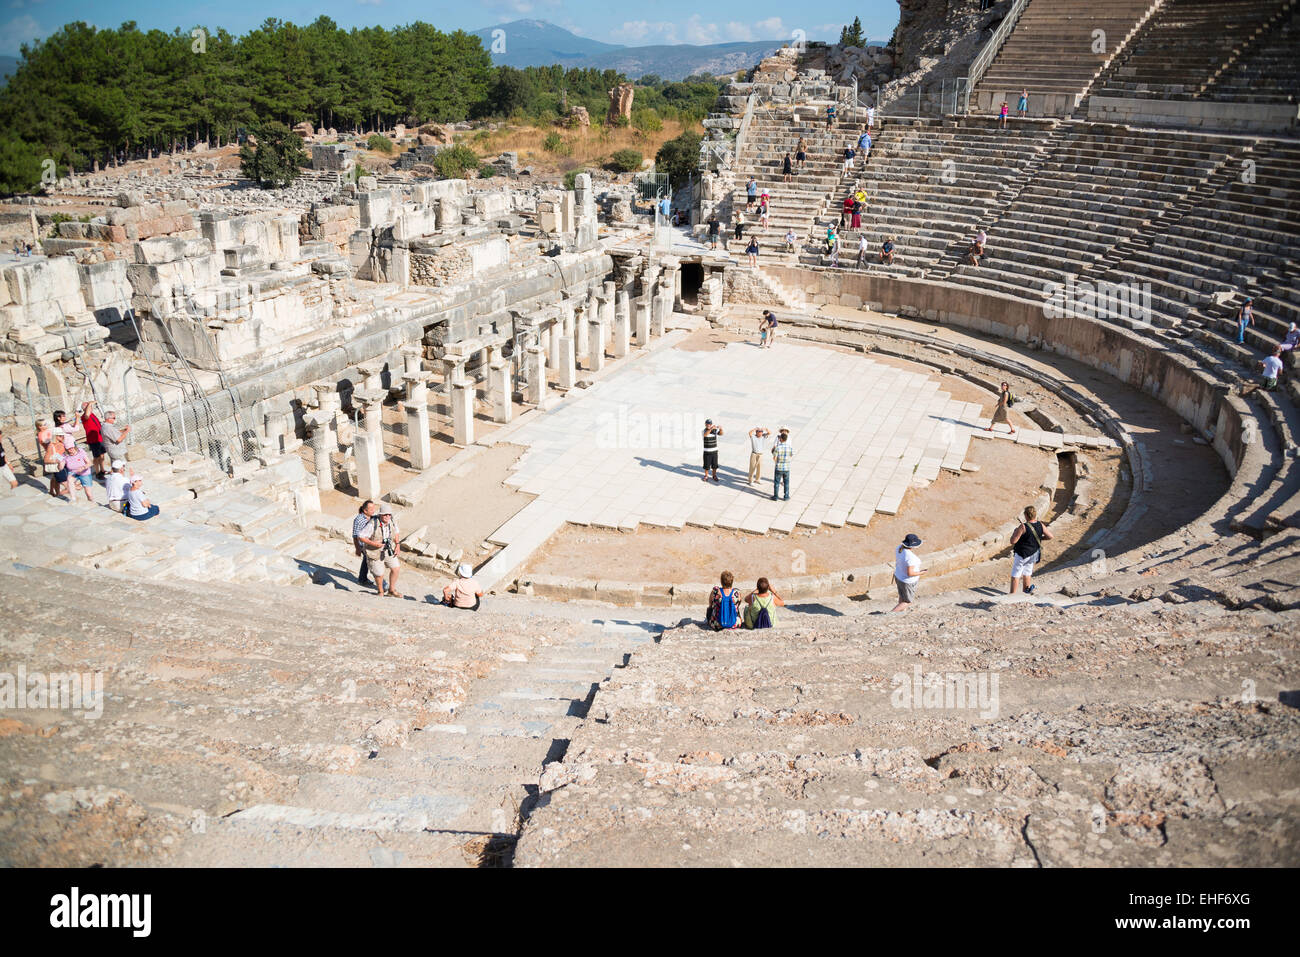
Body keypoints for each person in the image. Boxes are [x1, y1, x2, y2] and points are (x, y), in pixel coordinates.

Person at [359, 504, 402, 597]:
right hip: (374, 551)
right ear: (380, 515)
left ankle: (391, 590)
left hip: (387, 549)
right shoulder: (372, 524)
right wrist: (374, 544)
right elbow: (361, 536)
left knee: (396, 568)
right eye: (385, 515)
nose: (387, 517)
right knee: (379, 573)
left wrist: (397, 545)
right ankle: (380, 591)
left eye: (389, 514)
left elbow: (396, 532)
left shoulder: (392, 521)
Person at [1009, 505, 1053, 594]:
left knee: (1016, 574)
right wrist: (1040, 538)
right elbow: (1050, 536)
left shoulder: (1023, 527)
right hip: (1034, 554)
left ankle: (1012, 595)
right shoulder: (1040, 524)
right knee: (1027, 573)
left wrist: (1015, 532)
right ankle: (1026, 592)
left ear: (1026, 515)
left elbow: (1013, 541)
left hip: (1022, 554)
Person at [892, 533, 923, 612]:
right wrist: (921, 572)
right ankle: (891, 613)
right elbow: (910, 573)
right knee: (907, 601)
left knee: (902, 595)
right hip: (907, 581)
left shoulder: (899, 548)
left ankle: (901, 611)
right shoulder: (911, 558)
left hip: (898, 575)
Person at [62, 436, 94, 503]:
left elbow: (90, 463)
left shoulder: (81, 451)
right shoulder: (65, 455)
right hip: (73, 472)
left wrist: (83, 468)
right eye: (68, 449)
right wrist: (59, 463)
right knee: (69, 478)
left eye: (72, 448)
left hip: (85, 473)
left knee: (89, 494)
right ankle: (73, 498)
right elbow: (60, 467)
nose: (70, 450)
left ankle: (91, 501)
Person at [352, 499, 377, 585]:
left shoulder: (372, 517)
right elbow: (355, 536)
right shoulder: (358, 520)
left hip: (370, 543)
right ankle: (381, 582)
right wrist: (357, 549)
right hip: (363, 545)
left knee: (366, 561)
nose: (373, 510)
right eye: (371, 509)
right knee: (370, 561)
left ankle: (362, 579)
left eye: (374, 508)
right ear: (365, 510)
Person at [81, 400, 107, 478]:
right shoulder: (84, 417)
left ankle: (102, 470)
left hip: (99, 438)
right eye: (88, 406)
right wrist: (89, 403)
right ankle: (97, 472)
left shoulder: (92, 414)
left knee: (102, 455)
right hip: (93, 440)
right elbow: (87, 415)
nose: (90, 408)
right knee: (96, 457)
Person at [771, 428, 792, 501]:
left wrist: (777, 462)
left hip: (779, 467)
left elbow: (774, 457)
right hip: (786, 468)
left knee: (776, 483)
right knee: (786, 483)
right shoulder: (789, 447)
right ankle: (786, 496)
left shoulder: (778, 448)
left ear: (781, 439)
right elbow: (791, 455)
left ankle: (775, 496)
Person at [0, 426, 17, 491]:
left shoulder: (0, 444)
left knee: (14, 483)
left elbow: (3, 454)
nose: (1, 439)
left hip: (4, 466)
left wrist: (8, 463)